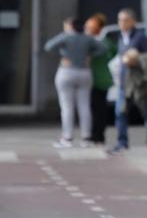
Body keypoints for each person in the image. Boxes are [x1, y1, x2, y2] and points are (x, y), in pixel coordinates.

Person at [44, 17, 106, 148]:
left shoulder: (67, 37)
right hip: (84, 72)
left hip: (67, 71)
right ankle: (86, 138)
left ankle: (67, 137)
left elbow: (48, 46)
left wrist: (63, 53)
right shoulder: (87, 38)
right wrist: (90, 55)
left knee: (67, 106)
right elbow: (102, 48)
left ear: (71, 26)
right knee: (84, 106)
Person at [111, 8, 147, 154]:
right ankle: (122, 142)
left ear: (133, 22)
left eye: (125, 20)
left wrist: (136, 58)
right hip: (124, 82)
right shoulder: (121, 37)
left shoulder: (140, 37)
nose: (121, 23)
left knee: (146, 112)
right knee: (120, 113)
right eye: (120, 20)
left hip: (137, 83)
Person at [84, 13, 115, 145]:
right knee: (96, 107)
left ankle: (97, 135)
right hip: (97, 77)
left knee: (98, 108)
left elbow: (112, 51)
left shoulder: (101, 42)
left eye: (91, 26)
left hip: (98, 78)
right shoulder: (100, 41)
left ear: (98, 28)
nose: (88, 29)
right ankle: (96, 134)